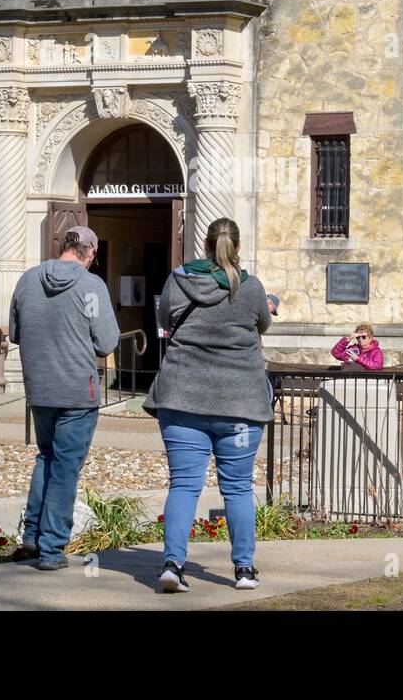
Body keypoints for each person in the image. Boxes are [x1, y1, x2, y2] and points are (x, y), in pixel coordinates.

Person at [145, 217, 272, 594]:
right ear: (238, 246)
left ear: (205, 244)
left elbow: (164, 319)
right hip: (240, 405)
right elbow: (261, 324)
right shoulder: (250, 288)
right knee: (237, 489)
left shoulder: (178, 279)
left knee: (184, 485)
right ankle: (244, 570)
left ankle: (172, 563)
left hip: (183, 399)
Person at [8, 225, 119, 571]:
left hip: (39, 388)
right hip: (77, 390)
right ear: (89, 252)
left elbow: (15, 333)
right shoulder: (91, 285)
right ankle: (52, 549)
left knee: (47, 458)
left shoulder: (27, 280)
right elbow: (107, 342)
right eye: (95, 255)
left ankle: (32, 537)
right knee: (66, 468)